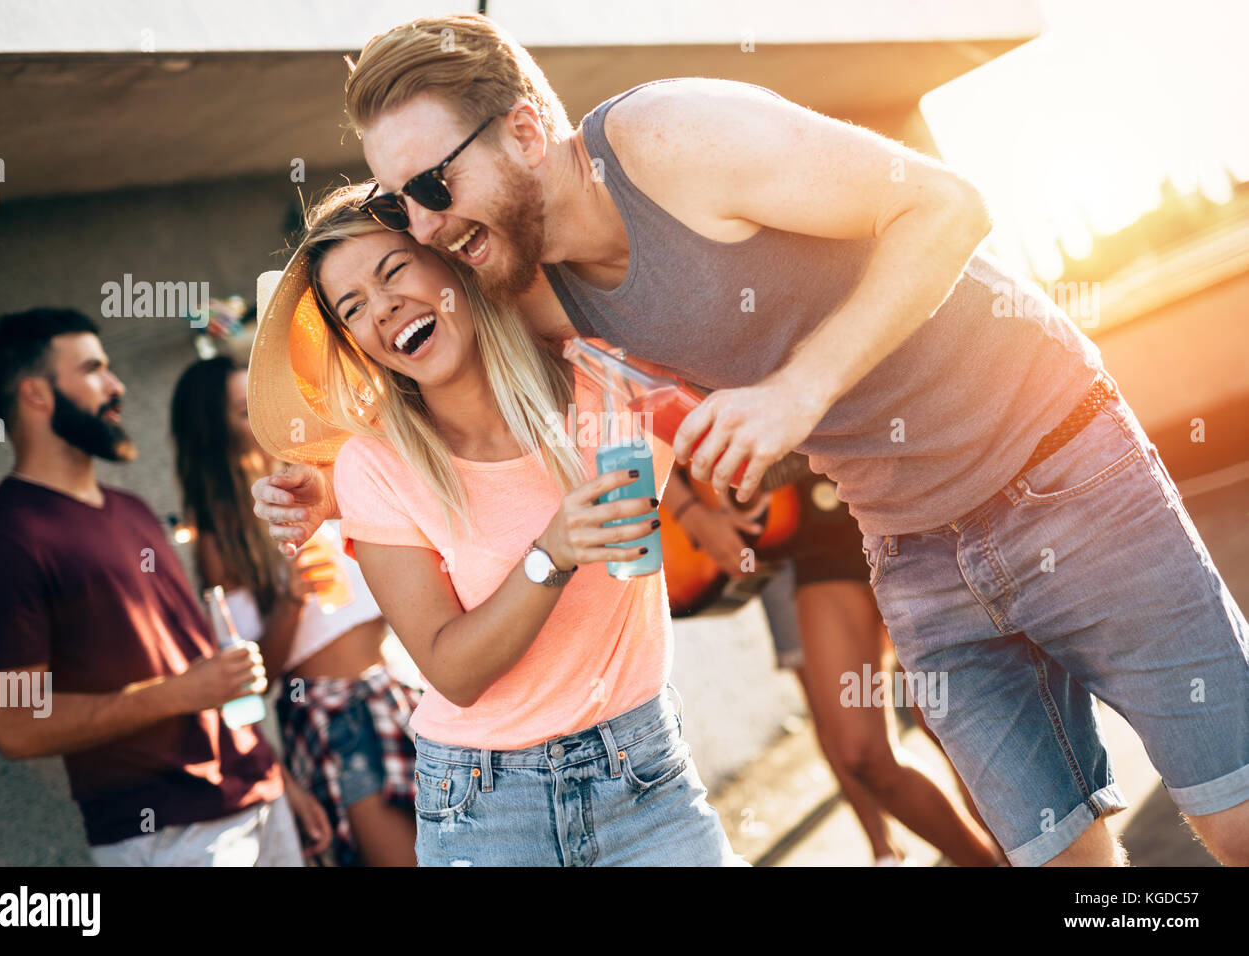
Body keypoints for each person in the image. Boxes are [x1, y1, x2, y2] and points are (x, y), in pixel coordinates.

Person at [255, 14, 1249, 867]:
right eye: (401, 203)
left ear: (522, 130)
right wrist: (326, 487)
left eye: (432, 186)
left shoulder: (669, 139)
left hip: (1056, 461)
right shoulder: (527, 289)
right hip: (907, 541)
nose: (424, 227)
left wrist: (796, 391)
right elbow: (435, 385)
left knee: (1231, 815)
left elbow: (949, 206)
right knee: (1061, 857)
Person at [246, 183, 741, 867]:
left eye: (394, 271)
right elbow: (452, 671)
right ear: (356, 344)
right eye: (353, 308)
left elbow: (737, 392)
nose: (382, 308)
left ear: (450, 261)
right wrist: (552, 553)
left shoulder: (606, 383)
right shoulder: (376, 467)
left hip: (644, 777)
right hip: (486, 807)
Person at [0, 308, 305, 866]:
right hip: (168, 832)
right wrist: (180, 693)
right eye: (92, 369)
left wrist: (277, 775)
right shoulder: (5, 542)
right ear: (35, 393)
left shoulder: (133, 511)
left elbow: (202, 668)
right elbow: (14, 726)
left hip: (258, 794)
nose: (116, 385)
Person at [666, 464, 1005, 866]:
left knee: (950, 719)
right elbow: (645, 433)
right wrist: (694, 512)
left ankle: (1033, 855)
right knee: (860, 755)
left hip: (895, 500)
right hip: (816, 536)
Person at [170, 355, 421, 866]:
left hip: (396, 691)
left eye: (261, 402)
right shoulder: (223, 538)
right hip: (335, 714)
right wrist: (291, 598)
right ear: (215, 432)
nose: (263, 418)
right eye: (244, 411)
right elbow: (250, 677)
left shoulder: (319, 477)